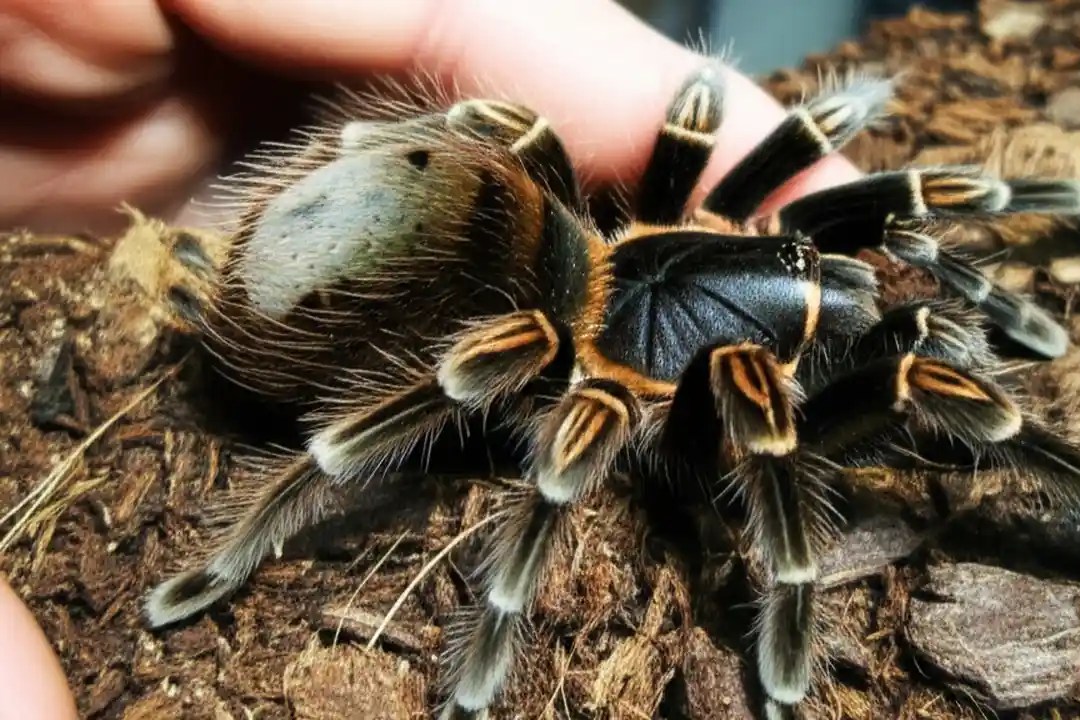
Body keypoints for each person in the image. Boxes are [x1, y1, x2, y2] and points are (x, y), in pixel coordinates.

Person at [0, 1, 859, 716]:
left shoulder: (612, 206)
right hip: (325, 325)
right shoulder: (595, 371)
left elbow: (695, 95)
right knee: (491, 359)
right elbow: (554, 453)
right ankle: (266, 545)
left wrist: (363, 155)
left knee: (508, 140)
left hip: (409, 245)